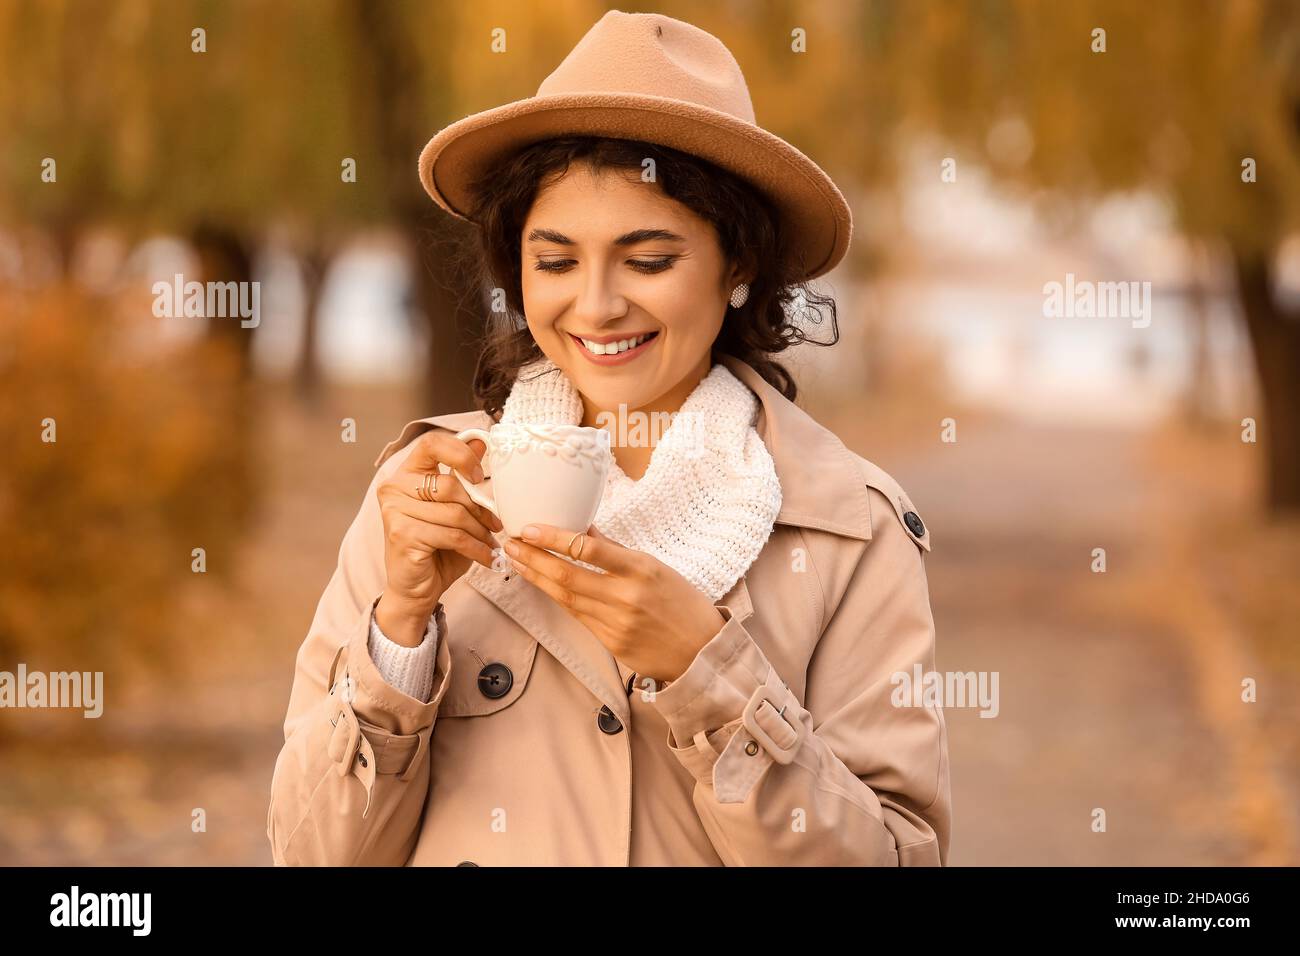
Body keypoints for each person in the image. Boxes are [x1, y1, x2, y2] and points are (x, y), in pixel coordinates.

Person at [267, 9, 949, 866]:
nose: (594, 307)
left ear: (739, 266)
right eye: (554, 262)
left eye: (649, 261)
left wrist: (706, 673)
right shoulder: (428, 495)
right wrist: (399, 629)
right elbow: (315, 856)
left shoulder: (848, 529)